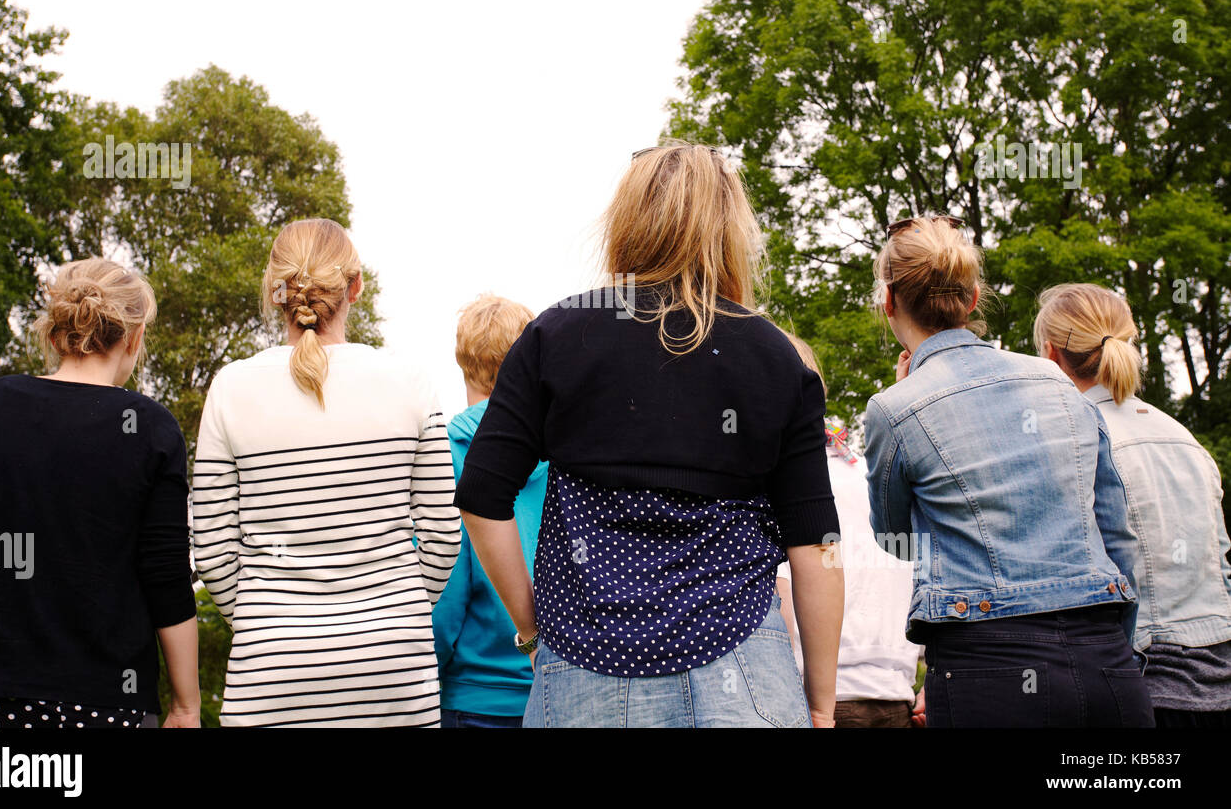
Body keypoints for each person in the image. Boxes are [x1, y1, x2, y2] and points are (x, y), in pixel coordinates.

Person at [453, 142, 844, 728]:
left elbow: (483, 495)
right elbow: (817, 547)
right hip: (745, 671)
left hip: (585, 667)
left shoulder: (556, 335)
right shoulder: (776, 357)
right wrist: (820, 700)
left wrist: (533, 630)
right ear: (729, 225)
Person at [863, 215, 1152, 727]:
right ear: (973, 298)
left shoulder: (894, 409)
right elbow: (1119, 537)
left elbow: (894, 537)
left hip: (985, 667)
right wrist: (1118, 655)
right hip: (1104, 657)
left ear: (888, 300)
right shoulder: (1059, 383)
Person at [191, 218, 460, 727]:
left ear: (275, 294)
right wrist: (396, 609)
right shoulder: (410, 382)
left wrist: (258, 617)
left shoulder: (230, 388)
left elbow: (212, 547)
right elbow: (444, 537)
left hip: (270, 667)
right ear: (355, 286)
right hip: (393, 671)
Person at [0, 258, 199, 729]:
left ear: (55, 334)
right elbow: (167, 576)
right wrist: (185, 706)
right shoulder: (151, 429)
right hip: (109, 709)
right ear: (133, 338)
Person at [1036, 282, 1231, 727]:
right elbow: (1221, 570)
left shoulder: (1070, 444)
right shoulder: (1186, 440)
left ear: (1050, 356)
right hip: (1219, 689)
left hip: (1136, 694)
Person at [776, 334, 925, 727]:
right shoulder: (865, 472)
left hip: (818, 701)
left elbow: (786, 591)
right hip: (896, 696)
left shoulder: (780, 482)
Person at [435, 295, 547, 728]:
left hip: (472, 696)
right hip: (556, 684)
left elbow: (445, 591)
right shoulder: (562, 455)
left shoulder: (446, 455)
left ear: (463, 363)